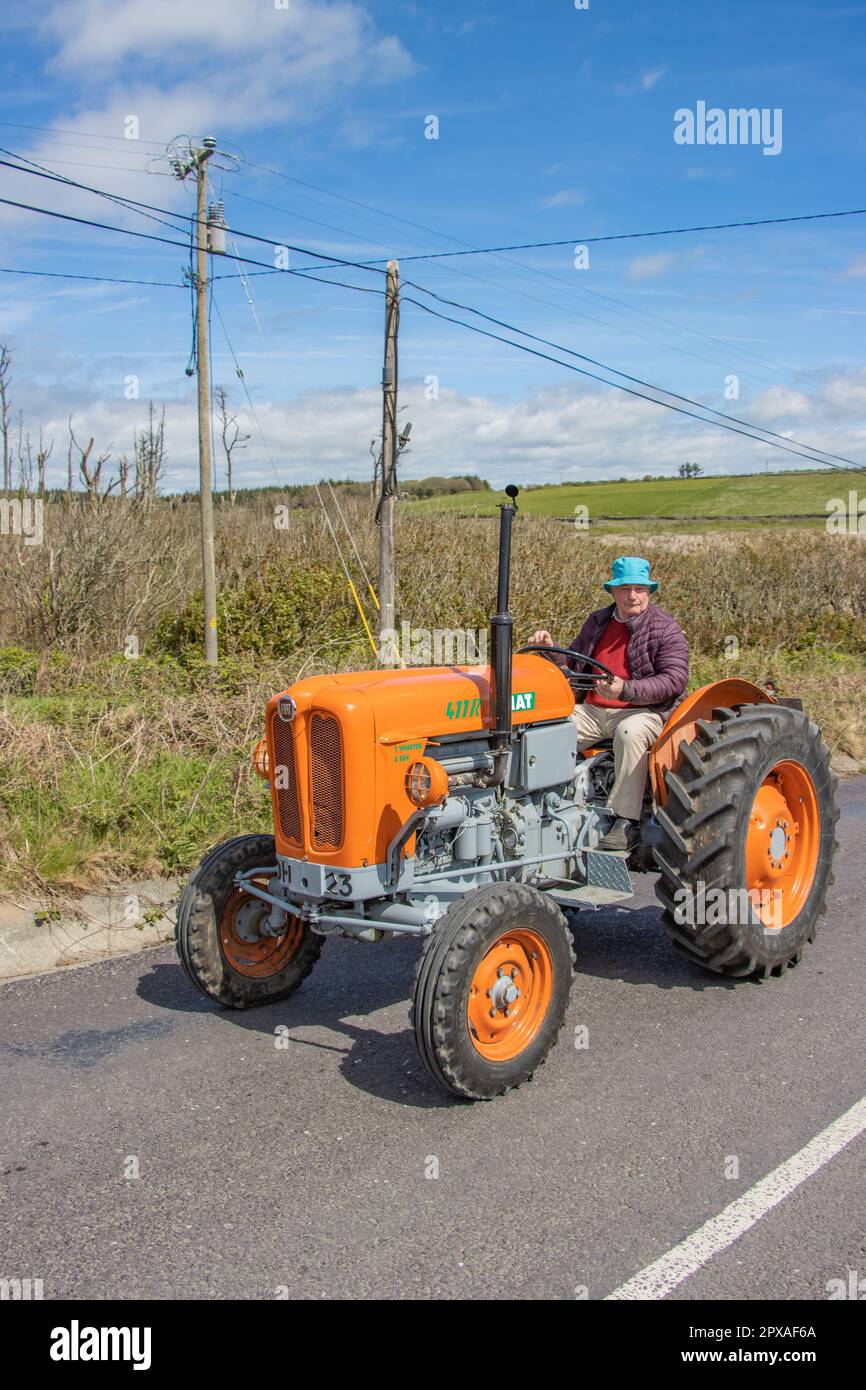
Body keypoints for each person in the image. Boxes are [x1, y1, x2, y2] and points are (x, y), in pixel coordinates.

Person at [528, 555, 689, 851]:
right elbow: (575, 663)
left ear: (649, 592)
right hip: (594, 709)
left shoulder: (664, 627)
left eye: (640, 589)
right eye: (625, 588)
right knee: (548, 729)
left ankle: (625, 821)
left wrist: (626, 690)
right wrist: (552, 651)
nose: (632, 596)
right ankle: (541, 805)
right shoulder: (598, 622)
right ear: (612, 591)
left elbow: (675, 680)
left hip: (644, 710)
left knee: (631, 732)